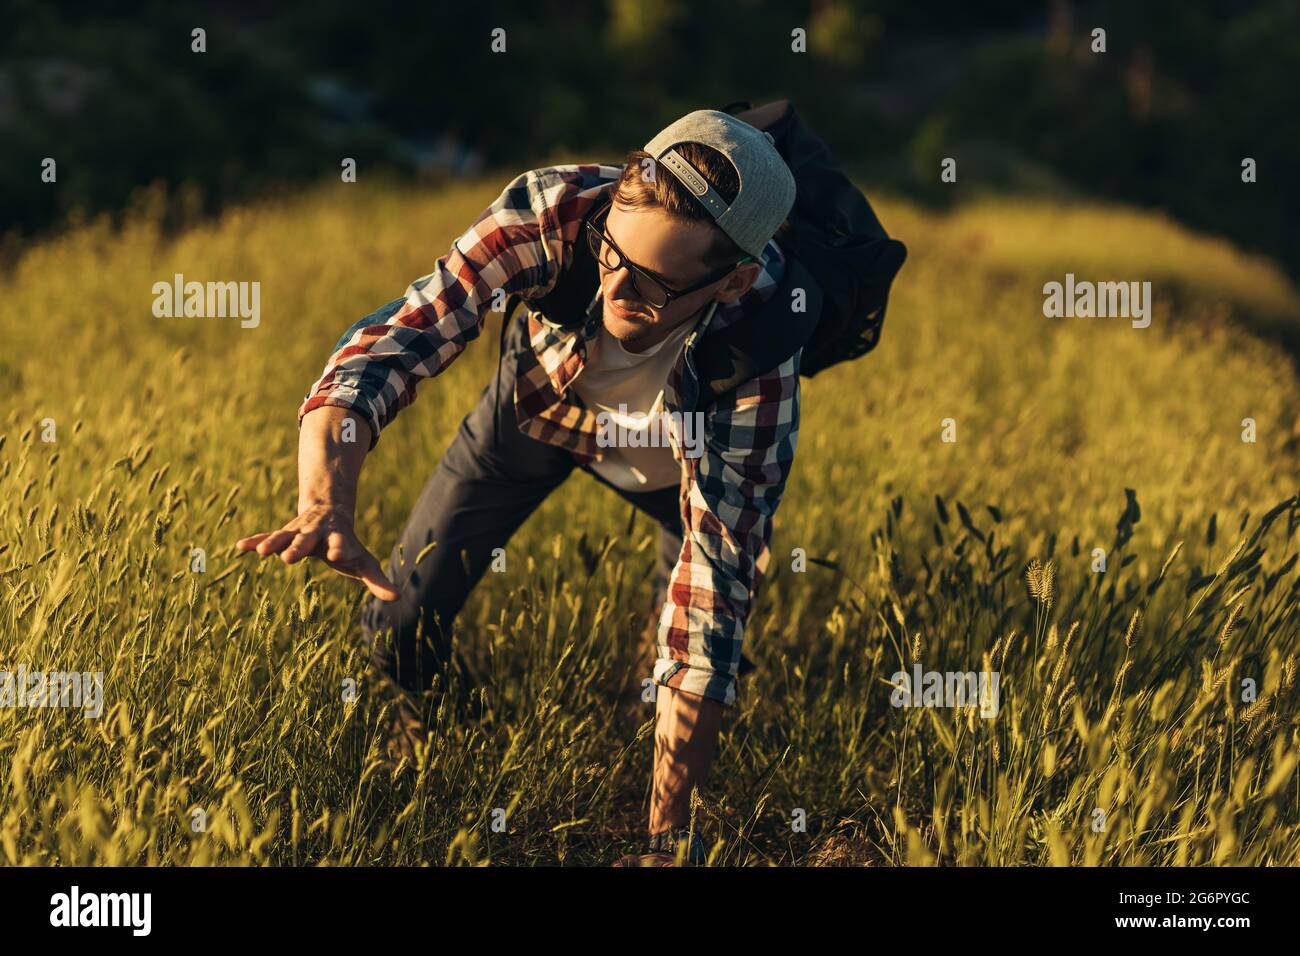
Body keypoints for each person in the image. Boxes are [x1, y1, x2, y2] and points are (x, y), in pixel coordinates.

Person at [237, 110, 800, 866]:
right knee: (397, 629)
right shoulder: (555, 215)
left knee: (678, 657)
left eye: (654, 285)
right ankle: (465, 735)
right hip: (534, 417)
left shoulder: (761, 348)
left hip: (678, 469)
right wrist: (324, 500)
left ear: (731, 279)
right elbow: (399, 339)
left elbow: (712, 597)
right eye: (610, 257)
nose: (613, 290)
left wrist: (670, 845)